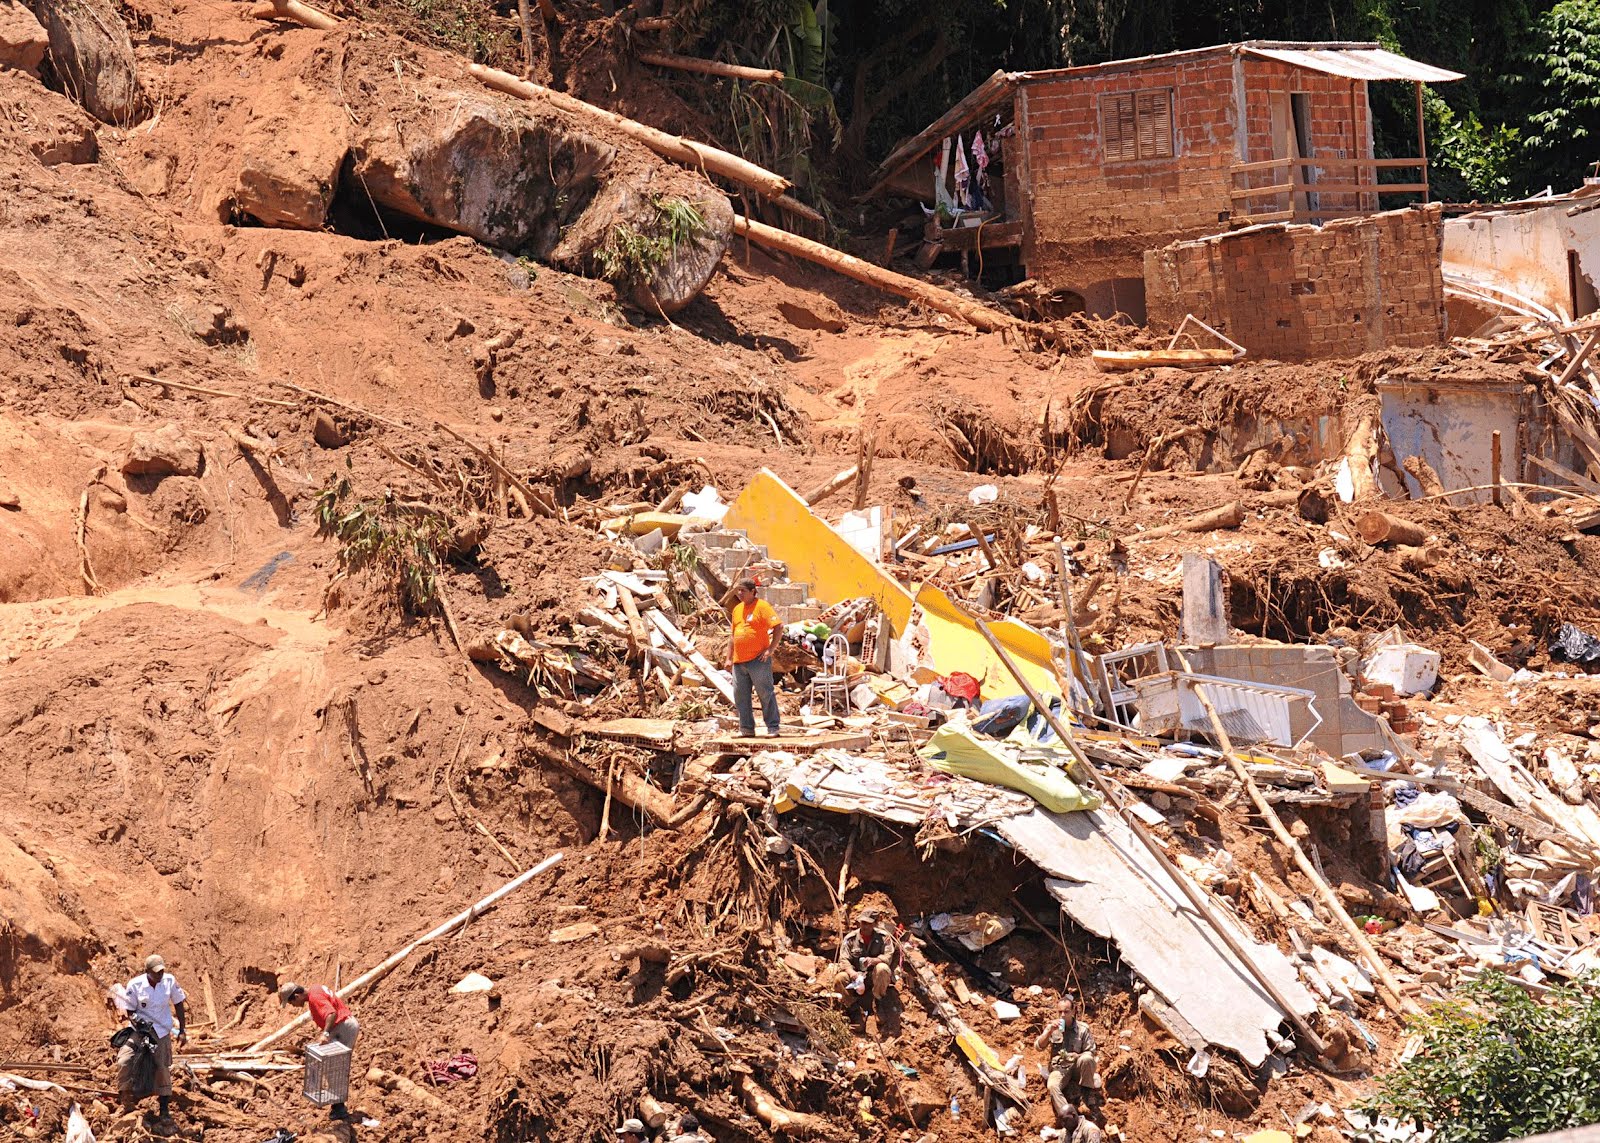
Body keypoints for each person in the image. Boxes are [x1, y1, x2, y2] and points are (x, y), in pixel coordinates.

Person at [116, 954, 188, 1122]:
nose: (159, 975)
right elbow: (129, 1010)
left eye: (161, 971)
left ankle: (164, 1108)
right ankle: (126, 1100)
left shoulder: (169, 981)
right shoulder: (135, 985)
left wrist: (183, 1030)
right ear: (147, 971)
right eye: (155, 972)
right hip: (140, 1031)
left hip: (161, 1031)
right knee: (124, 1059)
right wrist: (138, 1022)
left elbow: (178, 1003)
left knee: (162, 1067)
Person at [279, 981, 359, 1119]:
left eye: (292, 1002)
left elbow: (331, 1014)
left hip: (343, 1028)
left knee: (337, 1066)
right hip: (341, 1026)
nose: (293, 1006)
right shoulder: (315, 989)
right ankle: (337, 1105)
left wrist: (326, 1033)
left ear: (297, 996)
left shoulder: (314, 997)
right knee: (333, 1066)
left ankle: (339, 1108)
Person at [725, 578, 781, 739]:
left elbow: (778, 627)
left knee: (765, 693)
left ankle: (773, 727)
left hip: (758, 660)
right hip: (739, 661)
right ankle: (746, 729)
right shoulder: (737, 609)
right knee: (740, 695)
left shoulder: (762, 607)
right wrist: (729, 657)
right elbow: (733, 635)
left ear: (752, 591)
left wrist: (770, 650)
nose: (739, 593)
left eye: (743, 590)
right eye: (738, 590)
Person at [1034, 995, 1100, 1122]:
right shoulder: (1053, 1027)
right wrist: (1048, 1032)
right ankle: (1069, 1116)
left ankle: (1086, 1096)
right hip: (1059, 1068)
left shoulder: (1082, 1029)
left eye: (1066, 1012)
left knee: (1087, 1059)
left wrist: (1077, 1056)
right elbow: (1038, 1046)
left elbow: (1091, 1052)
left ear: (1074, 1011)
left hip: (1076, 1067)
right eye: (1060, 1012)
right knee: (1052, 1086)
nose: (1062, 1015)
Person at [839, 909, 897, 1008]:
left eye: (868, 923)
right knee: (840, 978)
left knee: (883, 968)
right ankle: (851, 1004)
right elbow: (844, 960)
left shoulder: (884, 937)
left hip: (874, 975)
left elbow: (888, 956)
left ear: (875, 923)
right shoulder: (850, 939)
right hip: (857, 976)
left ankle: (878, 1000)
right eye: (863, 923)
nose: (865, 926)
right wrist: (853, 973)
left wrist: (874, 960)